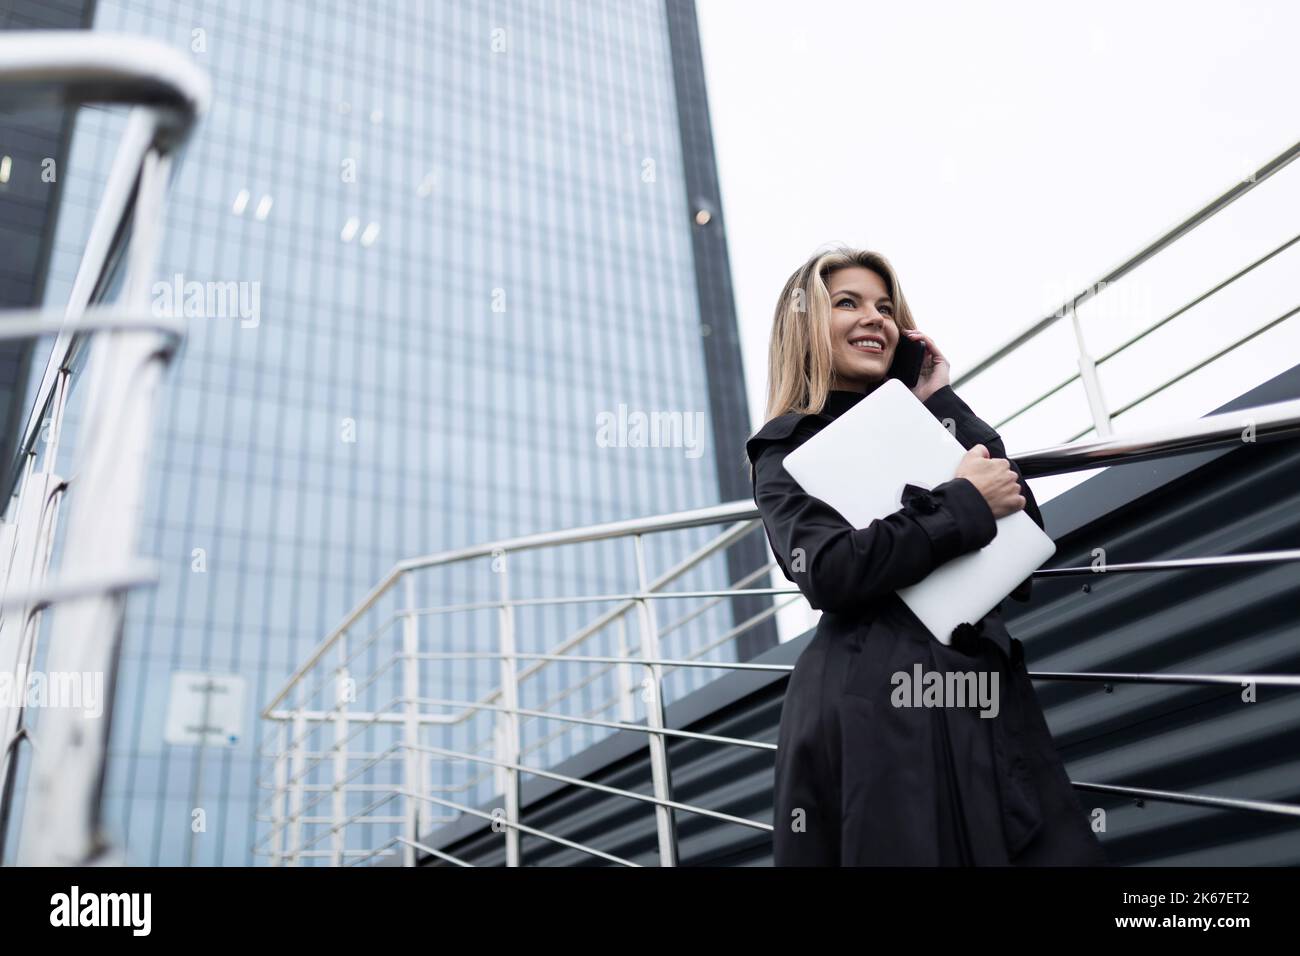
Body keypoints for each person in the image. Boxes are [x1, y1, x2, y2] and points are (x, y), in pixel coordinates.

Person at [746, 245, 1108, 866]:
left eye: (885, 307)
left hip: (977, 693)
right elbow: (828, 570)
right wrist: (963, 503)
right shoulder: (786, 447)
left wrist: (941, 400)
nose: (874, 318)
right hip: (877, 704)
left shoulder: (927, 421)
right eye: (848, 303)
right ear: (805, 325)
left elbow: (1025, 536)